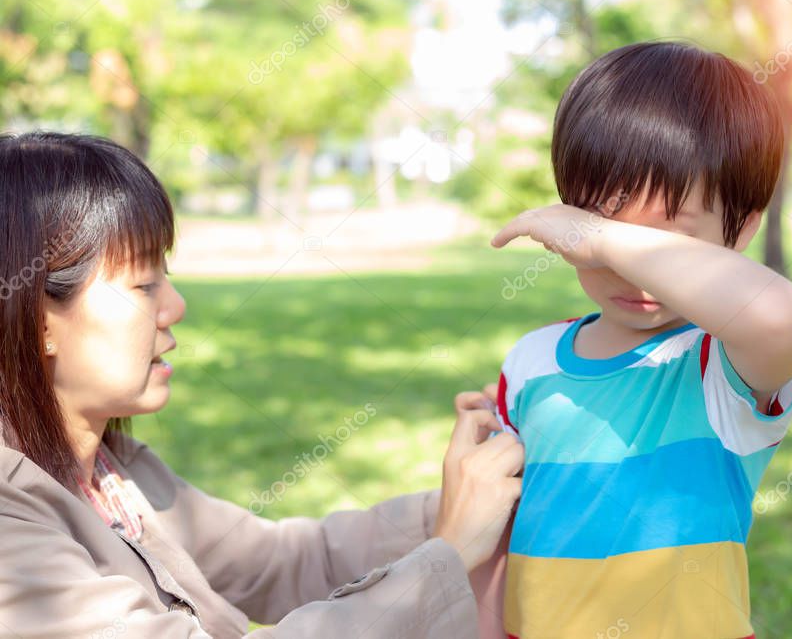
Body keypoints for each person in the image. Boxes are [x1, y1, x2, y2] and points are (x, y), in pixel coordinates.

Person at [0, 131, 522, 638]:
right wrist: (446, 556)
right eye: (144, 284)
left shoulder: (112, 473)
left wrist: (471, 497)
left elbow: (284, 562)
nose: (175, 307)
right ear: (39, 321)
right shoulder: (11, 531)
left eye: (168, 275)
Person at [489, 42, 792, 638]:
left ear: (742, 229)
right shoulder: (531, 360)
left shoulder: (720, 365)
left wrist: (604, 239)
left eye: (665, 247)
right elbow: (498, 533)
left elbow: (776, 316)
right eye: (601, 227)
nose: (629, 268)